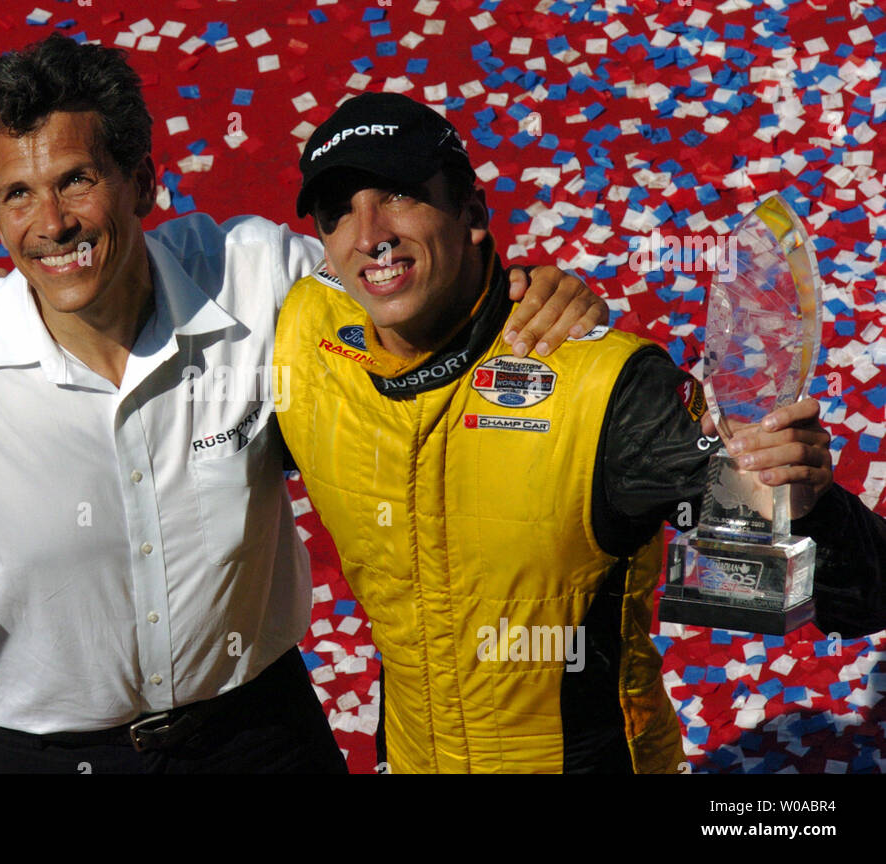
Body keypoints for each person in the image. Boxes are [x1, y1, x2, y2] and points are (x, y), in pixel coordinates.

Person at [0, 35, 604, 774]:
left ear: (142, 181)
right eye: (17, 195)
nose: (51, 220)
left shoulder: (258, 279)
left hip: (258, 740)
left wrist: (522, 289)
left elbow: (404, 286)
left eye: (75, 179)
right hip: (33, 764)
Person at [274, 91, 886, 773]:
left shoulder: (607, 389)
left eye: (396, 195)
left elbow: (851, 595)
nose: (368, 234)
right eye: (338, 211)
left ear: (473, 215)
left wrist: (805, 508)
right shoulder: (304, 339)